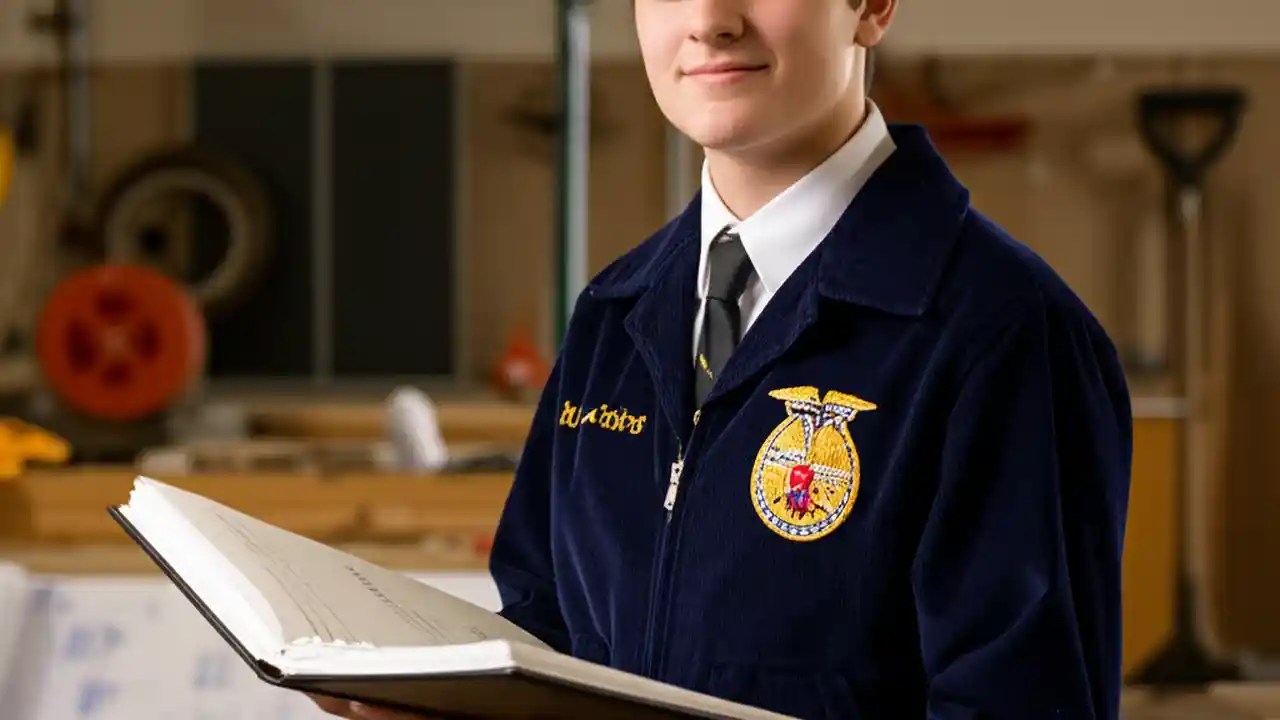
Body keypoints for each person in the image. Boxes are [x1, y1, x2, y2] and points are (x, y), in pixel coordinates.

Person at [314, 0, 1133, 718]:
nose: (708, 19)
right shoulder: (615, 315)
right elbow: (549, 632)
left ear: (873, 5)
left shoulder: (1004, 334)